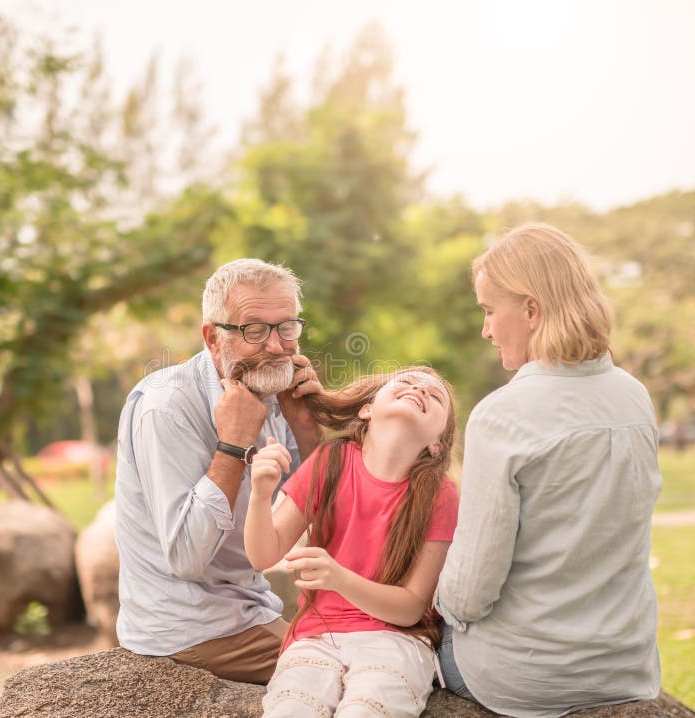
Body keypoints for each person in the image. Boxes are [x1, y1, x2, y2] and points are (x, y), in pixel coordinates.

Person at [435, 223, 662, 717]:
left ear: (532, 310)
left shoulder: (502, 414)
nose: (486, 329)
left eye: (490, 311)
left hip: (526, 678)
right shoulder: (634, 396)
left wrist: (431, 606)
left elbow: (471, 593)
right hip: (624, 668)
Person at [113, 258, 324, 684]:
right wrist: (232, 445)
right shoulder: (166, 405)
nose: (277, 345)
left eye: (287, 327)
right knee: (343, 670)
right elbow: (186, 559)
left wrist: (306, 428)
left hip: (249, 607)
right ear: (213, 338)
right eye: (254, 330)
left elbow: (317, 510)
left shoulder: (267, 391)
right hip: (193, 627)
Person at [245, 366, 460, 717]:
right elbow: (262, 555)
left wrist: (339, 578)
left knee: (367, 709)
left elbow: (409, 608)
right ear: (368, 409)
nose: (419, 388)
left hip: (397, 640)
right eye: (406, 381)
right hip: (318, 636)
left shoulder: (440, 496)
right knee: (291, 708)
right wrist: (259, 494)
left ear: (436, 444)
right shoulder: (332, 461)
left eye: (435, 396)